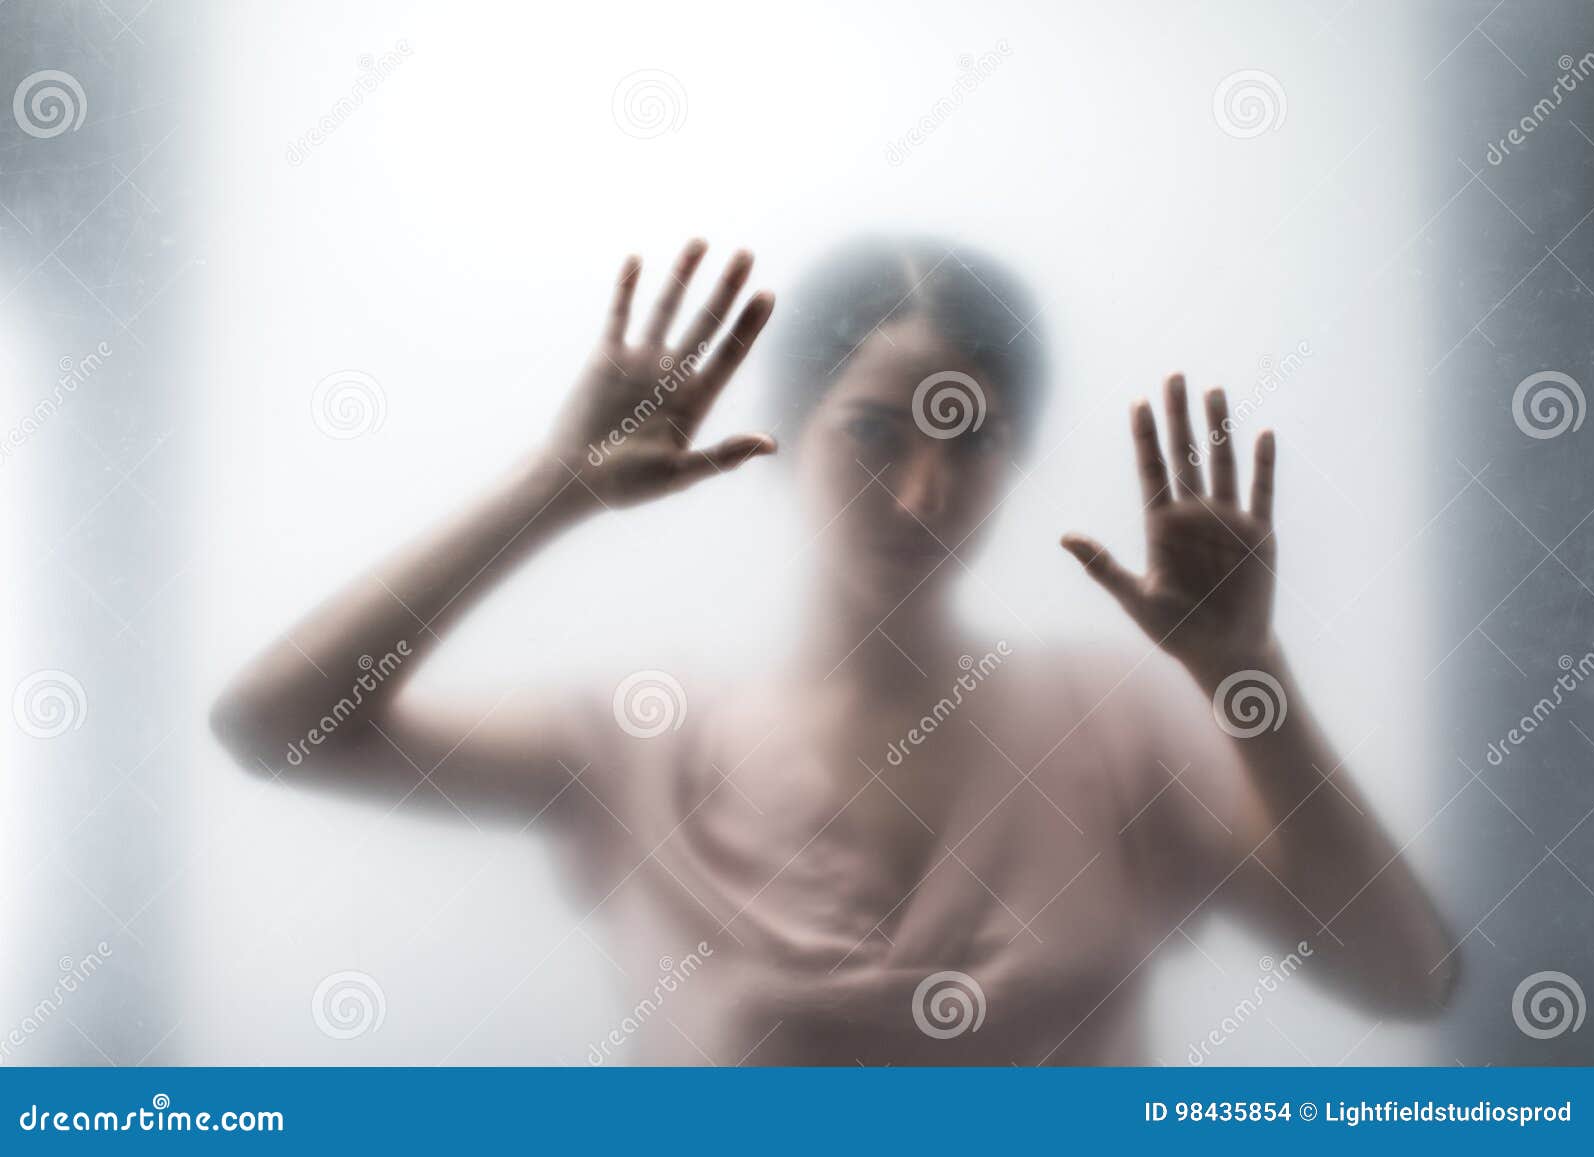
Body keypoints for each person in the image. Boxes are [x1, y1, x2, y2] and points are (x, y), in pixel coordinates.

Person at [211, 237, 1458, 1064]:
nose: (923, 490)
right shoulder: (644, 740)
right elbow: (274, 727)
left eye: (970, 437)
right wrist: (554, 486)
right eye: (874, 429)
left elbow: (1407, 977)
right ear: (783, 435)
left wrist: (1251, 676)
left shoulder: (1112, 729)